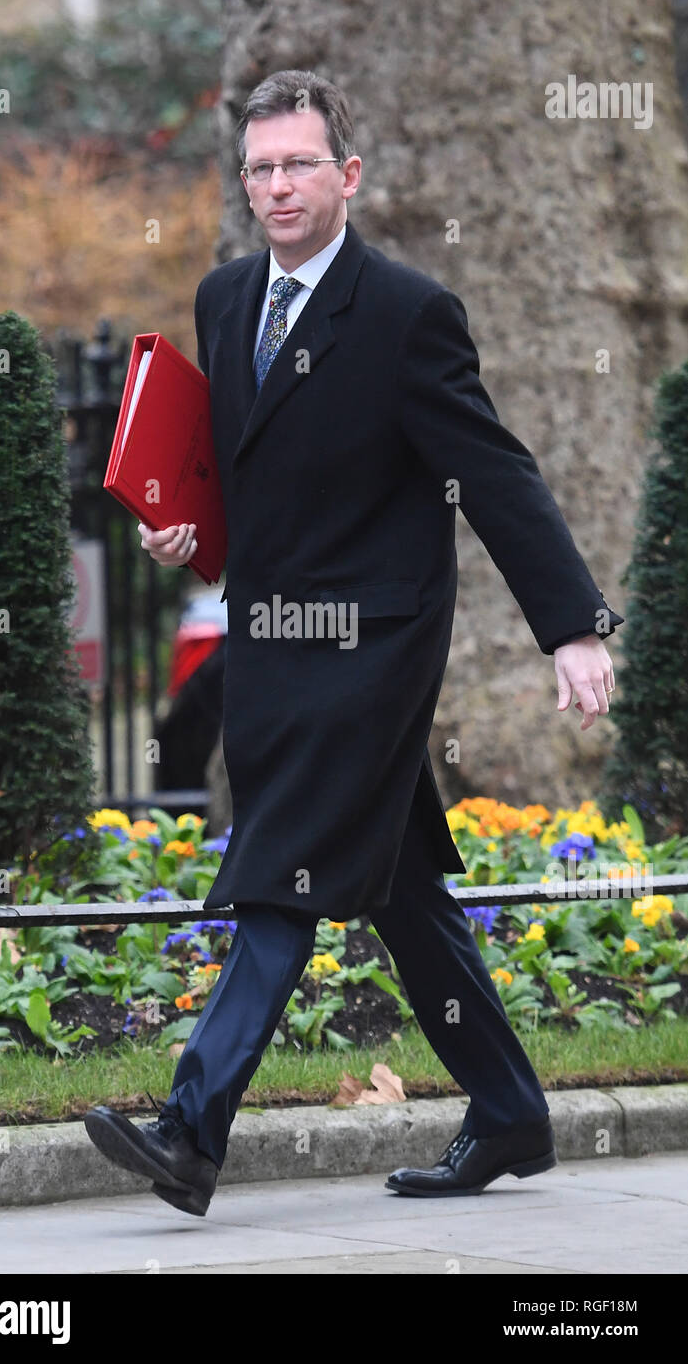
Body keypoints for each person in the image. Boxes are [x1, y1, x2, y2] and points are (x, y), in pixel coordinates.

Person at [84, 69, 624, 1217]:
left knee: (279, 874)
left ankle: (192, 1130)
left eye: (299, 164)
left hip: (371, 647)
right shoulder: (226, 298)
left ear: (348, 175)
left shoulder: (406, 312)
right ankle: (512, 1110)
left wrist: (571, 627)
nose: (279, 185)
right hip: (269, 638)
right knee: (401, 890)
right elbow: (243, 474)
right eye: (261, 168)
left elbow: (492, 471)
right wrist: (192, 539)